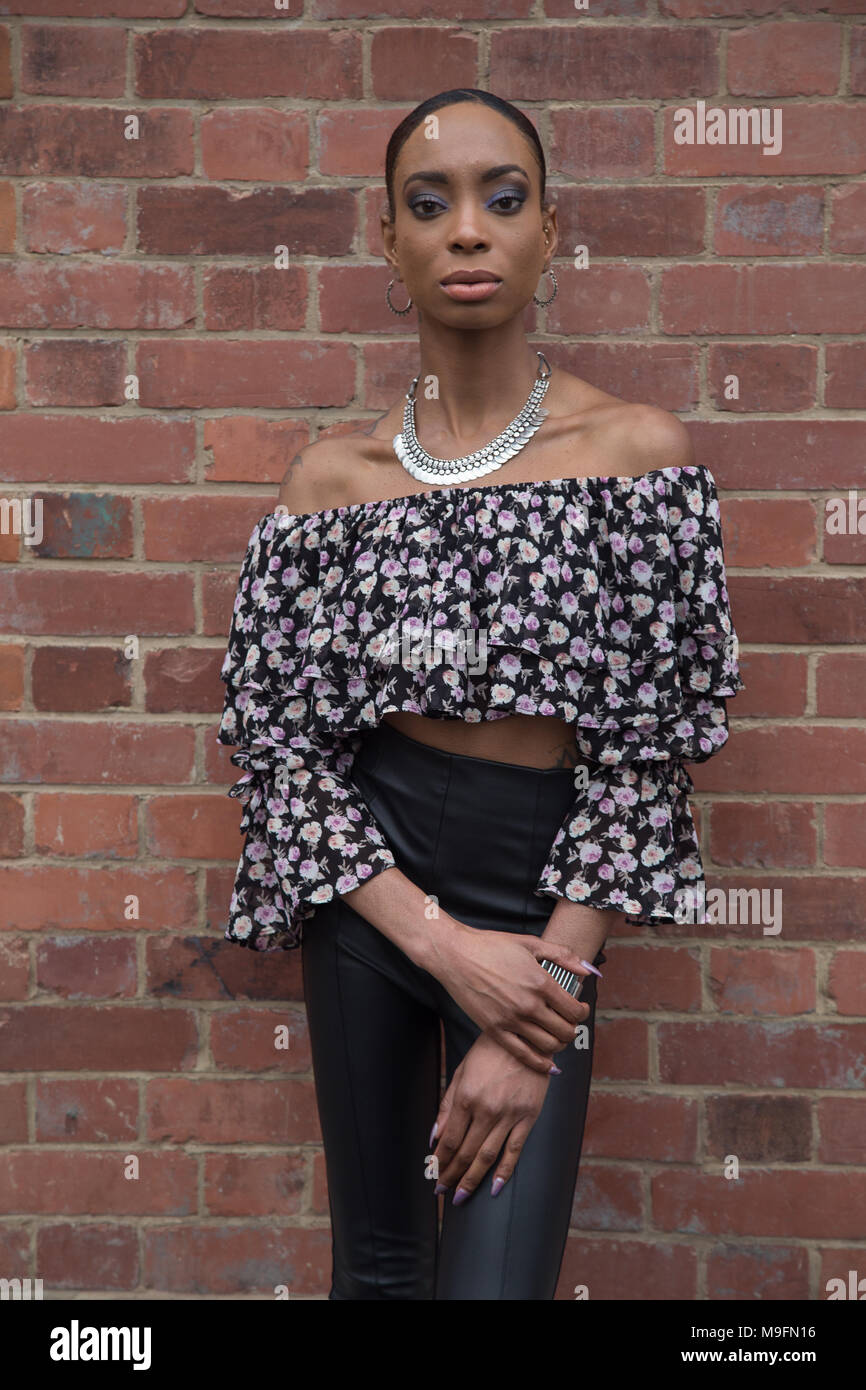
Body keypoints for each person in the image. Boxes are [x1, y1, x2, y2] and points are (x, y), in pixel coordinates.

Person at [216, 88, 744, 1300]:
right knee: (379, 1271)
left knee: (493, 1286)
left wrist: (542, 992)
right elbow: (281, 750)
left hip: (542, 887)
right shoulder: (326, 485)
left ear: (549, 232)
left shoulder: (633, 456)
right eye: (429, 203)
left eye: (502, 200)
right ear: (386, 240)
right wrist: (437, 943)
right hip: (372, 883)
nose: (467, 230)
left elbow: (646, 754)